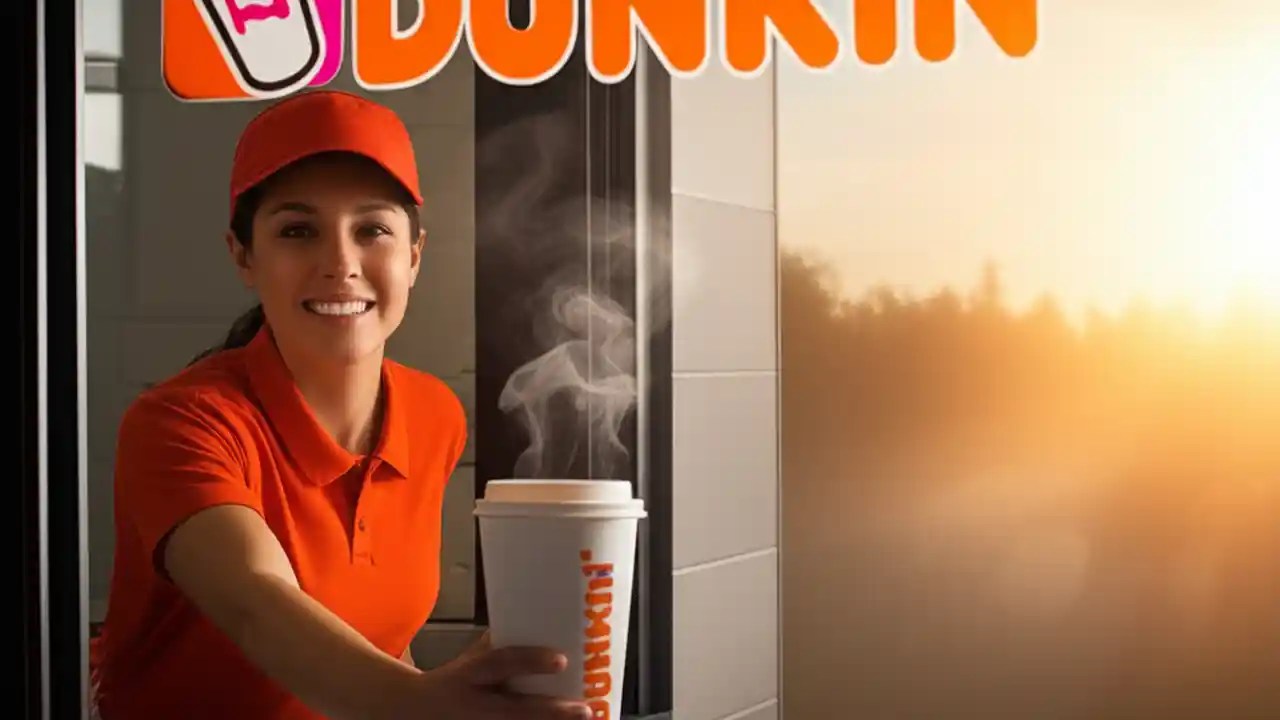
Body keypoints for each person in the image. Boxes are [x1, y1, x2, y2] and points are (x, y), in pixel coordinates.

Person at [91, 90, 593, 720]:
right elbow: (256, 599)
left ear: (413, 256)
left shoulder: (434, 414)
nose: (340, 264)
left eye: (373, 230)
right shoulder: (181, 423)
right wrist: (419, 704)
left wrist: (445, 690)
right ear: (244, 256)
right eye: (298, 231)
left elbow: (383, 644)